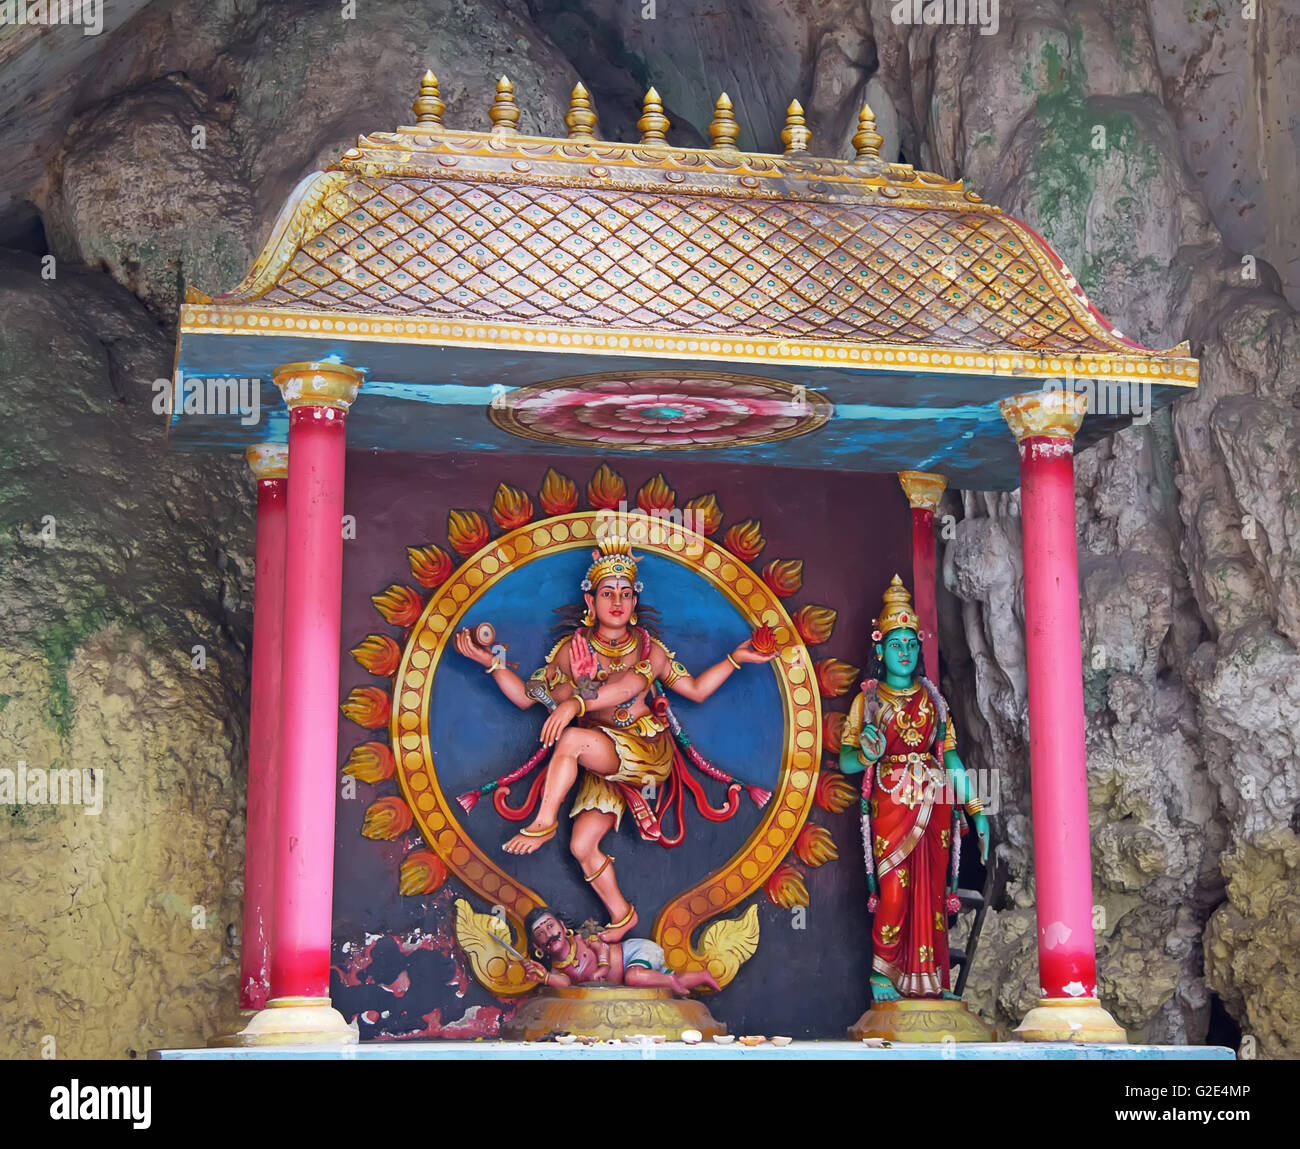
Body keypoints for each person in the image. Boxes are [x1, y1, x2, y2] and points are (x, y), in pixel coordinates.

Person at [454, 535, 774, 941]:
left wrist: (736, 658)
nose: (617, 601)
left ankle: (544, 821)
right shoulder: (571, 652)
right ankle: (622, 916)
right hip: (598, 755)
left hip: (642, 751)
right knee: (582, 847)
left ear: (634, 604)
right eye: (607, 593)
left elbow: (677, 690)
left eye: (626, 593)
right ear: (591, 603)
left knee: (569, 740)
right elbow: (525, 696)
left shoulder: (647, 650)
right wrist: (493, 661)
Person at [840, 575, 990, 1002]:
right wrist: (867, 755)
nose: (904, 651)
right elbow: (848, 759)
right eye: (895, 644)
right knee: (895, 891)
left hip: (936, 803)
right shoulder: (867, 701)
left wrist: (977, 810)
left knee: (933, 893)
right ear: (880, 649)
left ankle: (930, 981)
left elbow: (953, 760)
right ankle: (882, 973)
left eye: (910, 643)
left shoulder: (934, 701)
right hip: (891, 804)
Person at [520, 907, 720, 995]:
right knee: (660, 981)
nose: (548, 934)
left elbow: (602, 947)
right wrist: (543, 977)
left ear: (563, 927)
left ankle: (669, 982)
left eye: (550, 926)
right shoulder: (558, 970)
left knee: (634, 977)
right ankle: (701, 977)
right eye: (540, 933)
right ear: (537, 947)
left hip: (633, 954)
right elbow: (564, 984)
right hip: (636, 973)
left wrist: (604, 966)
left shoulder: (581, 939)